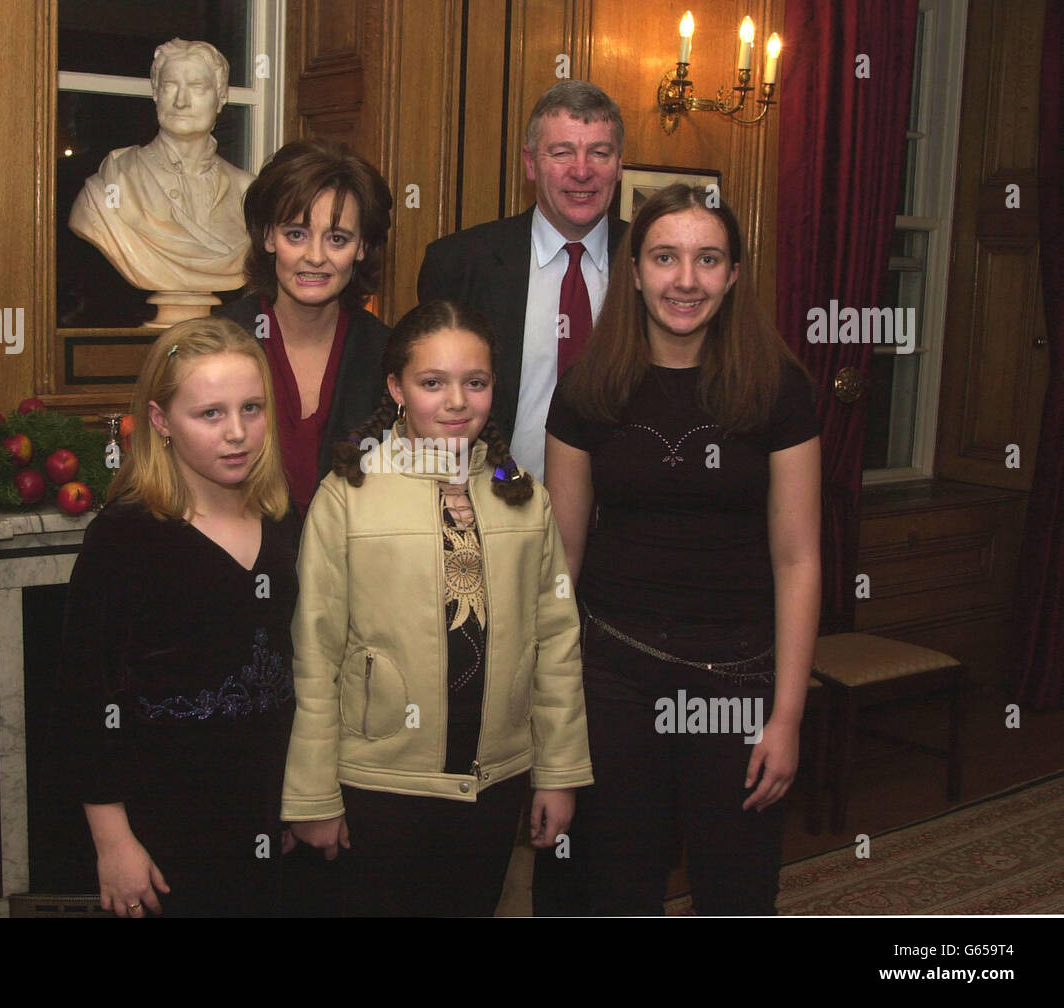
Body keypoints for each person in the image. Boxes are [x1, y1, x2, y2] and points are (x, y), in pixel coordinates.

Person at [544, 184, 822, 915]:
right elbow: (562, 564)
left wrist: (786, 717)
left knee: (737, 888)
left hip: (737, 680)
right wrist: (549, 709)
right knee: (611, 885)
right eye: (665, 258)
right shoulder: (585, 391)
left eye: (708, 259)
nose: (686, 280)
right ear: (633, 270)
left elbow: (798, 561)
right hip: (612, 677)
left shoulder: (779, 390)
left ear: (733, 276)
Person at [282, 300, 593, 916]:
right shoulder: (348, 496)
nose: (456, 401)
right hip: (379, 782)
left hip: (495, 781)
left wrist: (558, 771)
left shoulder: (523, 498)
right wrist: (313, 794)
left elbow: (556, 641)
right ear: (397, 387)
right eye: (433, 383)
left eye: (475, 383)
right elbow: (314, 655)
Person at [52, 316, 299, 916]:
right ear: (161, 422)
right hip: (163, 833)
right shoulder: (125, 537)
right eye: (210, 413)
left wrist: (296, 802)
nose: (237, 433)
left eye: (251, 408)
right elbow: (82, 698)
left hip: (267, 820)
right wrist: (114, 843)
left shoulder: (285, 520)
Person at [418, 80, 627, 482]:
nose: (581, 171)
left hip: (620, 518)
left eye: (599, 153)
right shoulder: (460, 264)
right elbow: (428, 399)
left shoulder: (650, 264)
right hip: (490, 503)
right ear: (531, 163)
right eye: (562, 152)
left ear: (619, 164)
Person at [216, 138, 393, 515]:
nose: (315, 257)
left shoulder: (388, 355)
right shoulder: (219, 341)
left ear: (362, 247)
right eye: (296, 234)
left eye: (337, 239)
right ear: (268, 237)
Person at [69, 39, 253, 301]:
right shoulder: (114, 183)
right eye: (170, 86)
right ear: (156, 93)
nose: (181, 102)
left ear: (221, 97)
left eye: (197, 87)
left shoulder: (246, 190)